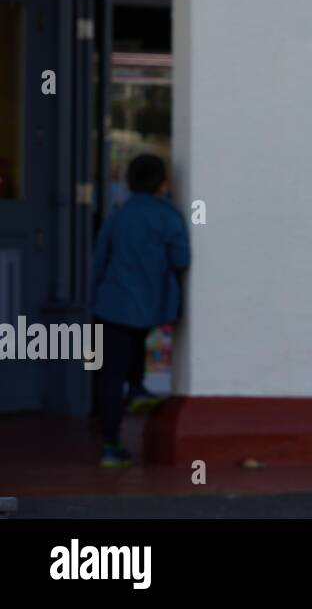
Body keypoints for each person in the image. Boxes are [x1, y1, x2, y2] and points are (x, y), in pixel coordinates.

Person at [91, 154, 191, 467]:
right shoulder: (170, 217)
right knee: (136, 348)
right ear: (163, 184)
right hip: (149, 305)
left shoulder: (118, 215)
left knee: (110, 374)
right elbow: (181, 259)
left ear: (129, 182)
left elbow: (99, 260)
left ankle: (110, 444)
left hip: (112, 303)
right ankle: (137, 389)